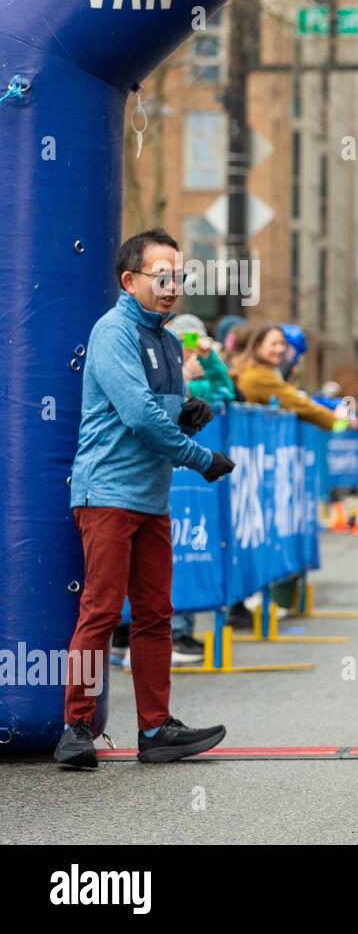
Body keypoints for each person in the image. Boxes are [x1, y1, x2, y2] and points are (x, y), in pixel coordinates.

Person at [57, 228, 235, 769]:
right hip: (107, 493)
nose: (172, 285)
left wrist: (188, 410)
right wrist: (202, 459)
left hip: (150, 498)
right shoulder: (113, 331)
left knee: (156, 615)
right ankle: (76, 727)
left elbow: (155, 409)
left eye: (179, 275)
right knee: (102, 612)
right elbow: (136, 416)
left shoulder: (167, 340)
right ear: (129, 279)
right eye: (162, 275)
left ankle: (155, 729)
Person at [234, 326, 338, 430]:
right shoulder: (259, 376)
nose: (280, 349)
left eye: (282, 344)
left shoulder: (245, 368)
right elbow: (297, 403)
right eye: (273, 344)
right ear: (257, 346)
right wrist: (336, 420)